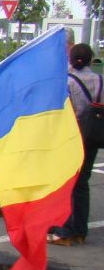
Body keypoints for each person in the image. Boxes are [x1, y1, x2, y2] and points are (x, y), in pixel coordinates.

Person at [48, 43, 101, 246]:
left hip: (73, 136)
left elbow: (62, 111)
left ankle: (67, 230)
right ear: (90, 60)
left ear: (70, 60)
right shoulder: (100, 80)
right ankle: (80, 229)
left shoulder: (67, 82)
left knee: (68, 183)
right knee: (82, 183)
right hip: (93, 137)